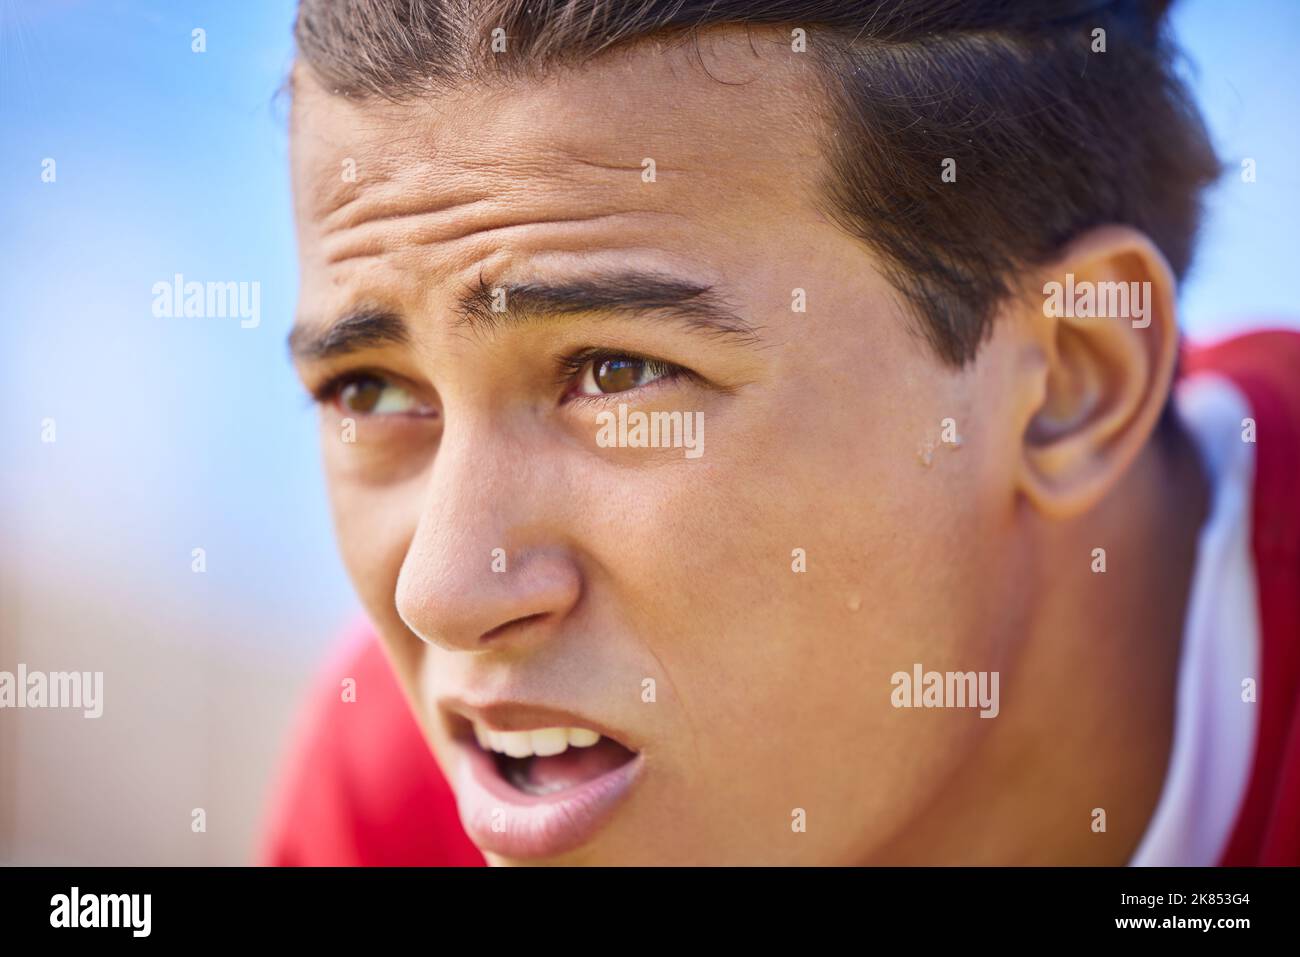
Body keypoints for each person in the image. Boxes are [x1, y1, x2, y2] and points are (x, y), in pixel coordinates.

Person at [260, 0, 1300, 865]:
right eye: (372, 393)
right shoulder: (409, 798)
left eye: (617, 376)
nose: (443, 597)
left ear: (1072, 383)